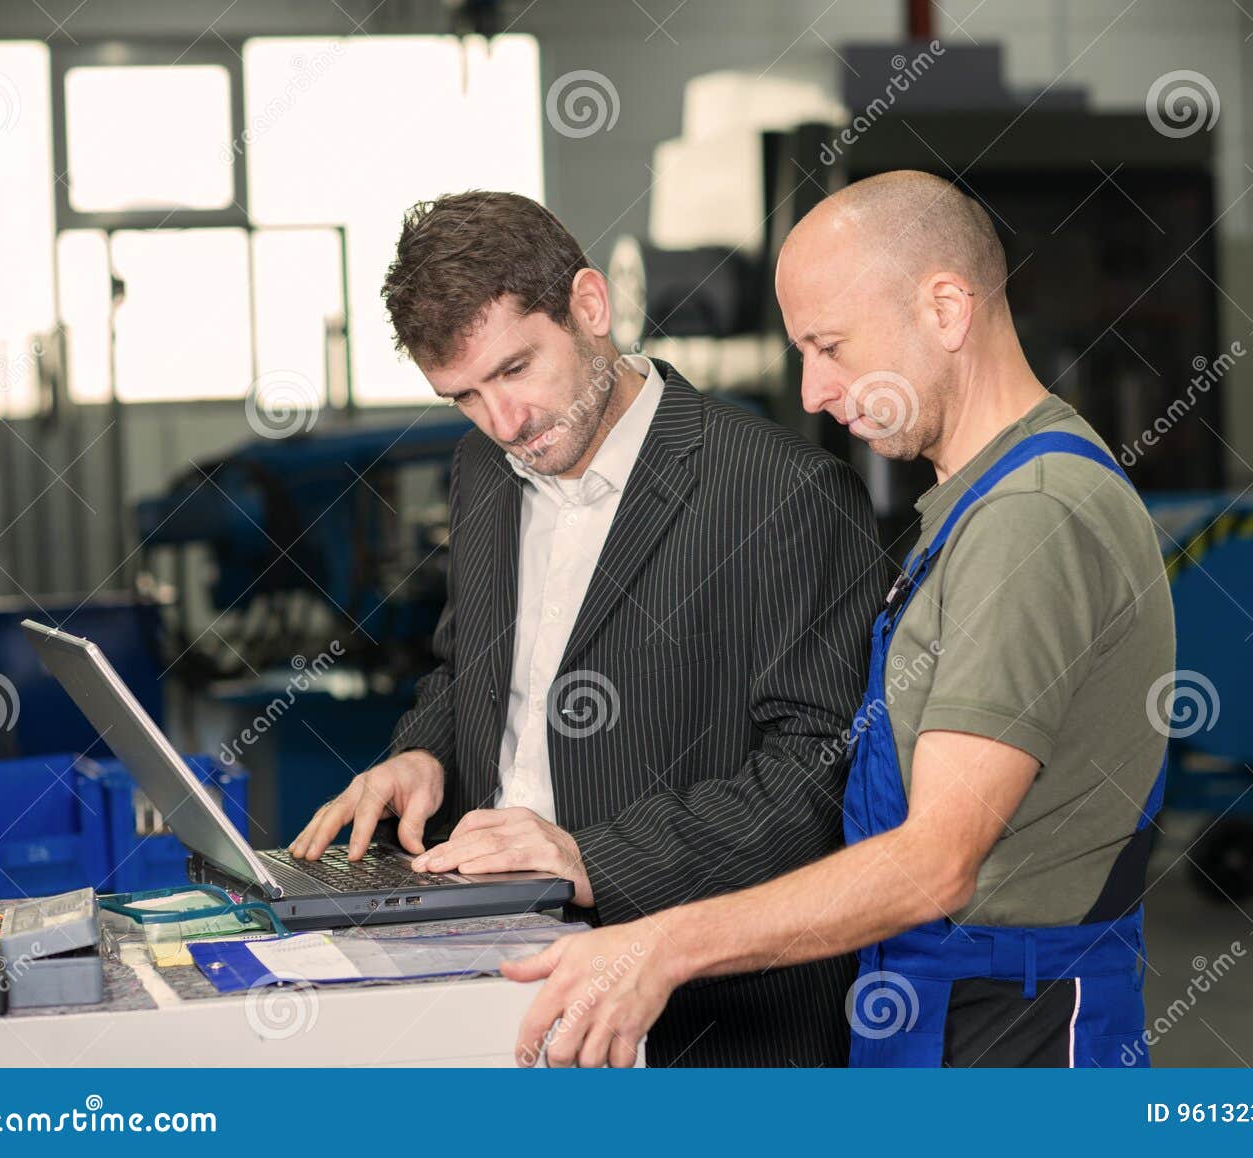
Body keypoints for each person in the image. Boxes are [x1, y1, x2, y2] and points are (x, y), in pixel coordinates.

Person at [503, 170, 1177, 1069]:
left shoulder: (1031, 516)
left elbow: (937, 861)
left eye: (830, 346)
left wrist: (660, 948)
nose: (815, 391)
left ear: (945, 309)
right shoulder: (973, 504)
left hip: (1011, 1030)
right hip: (931, 1002)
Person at [287, 190, 885, 1067]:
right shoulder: (485, 471)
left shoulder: (779, 491)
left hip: (706, 1021)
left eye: (517, 369)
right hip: (501, 977)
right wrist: (423, 755)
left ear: (589, 307)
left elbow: (818, 779)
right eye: (464, 397)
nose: (504, 423)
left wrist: (588, 858)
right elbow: (465, 672)